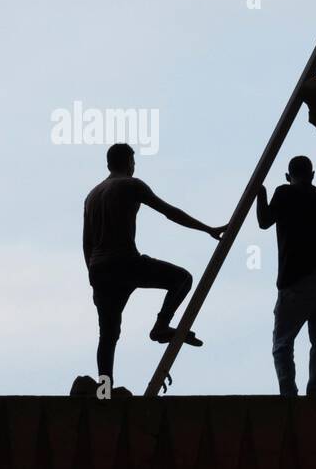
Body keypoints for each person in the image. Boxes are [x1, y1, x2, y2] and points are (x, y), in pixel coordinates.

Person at [83, 143, 225, 388]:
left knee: (108, 336)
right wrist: (207, 229)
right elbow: (170, 212)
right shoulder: (131, 185)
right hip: (125, 263)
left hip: (100, 270)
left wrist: (93, 276)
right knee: (182, 279)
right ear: (130, 163)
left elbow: (86, 242)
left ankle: (104, 391)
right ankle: (161, 325)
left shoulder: (92, 195)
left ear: (108, 164)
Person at [255, 155, 316, 396]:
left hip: (295, 278)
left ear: (287, 175)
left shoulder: (284, 193)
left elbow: (264, 221)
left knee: (282, 342)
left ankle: (288, 393)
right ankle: (315, 390)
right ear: (313, 175)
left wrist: (259, 193)